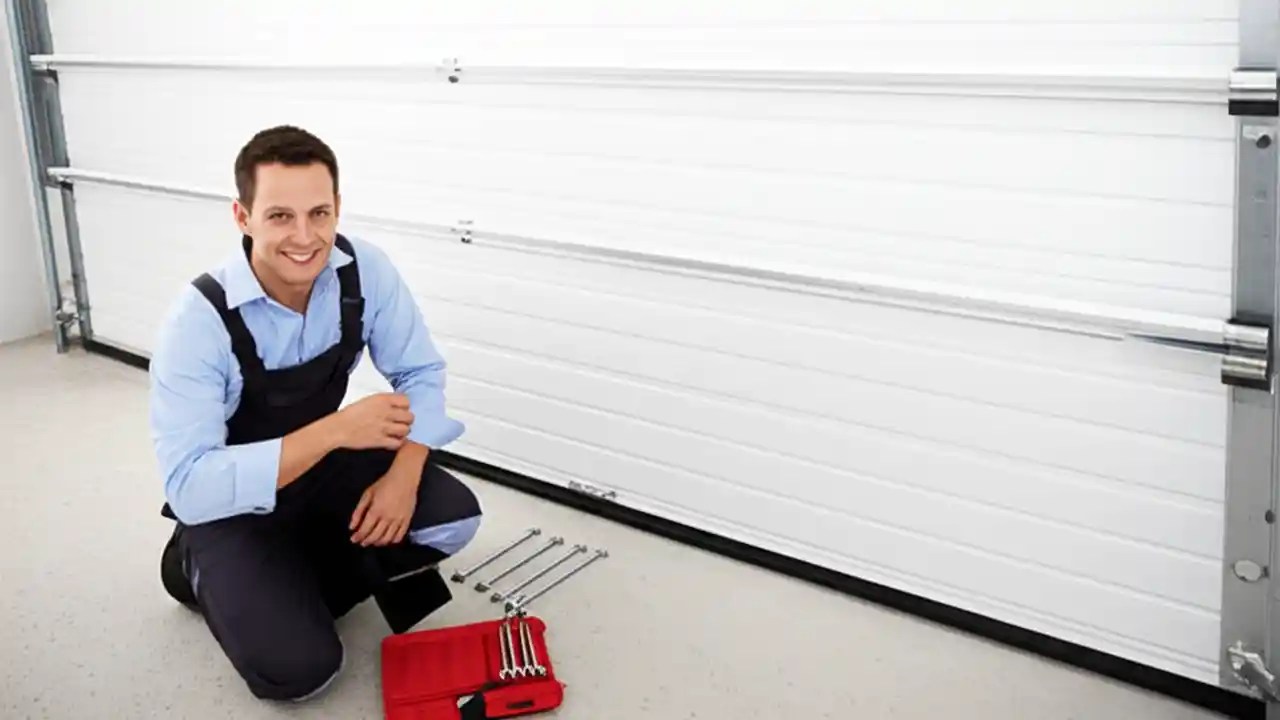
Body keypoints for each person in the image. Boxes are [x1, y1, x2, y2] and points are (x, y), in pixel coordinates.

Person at [148, 125, 483, 702]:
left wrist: (404, 475)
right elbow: (189, 485)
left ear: (337, 209)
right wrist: (336, 429)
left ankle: (287, 576)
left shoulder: (364, 272)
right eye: (279, 216)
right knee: (299, 674)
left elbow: (421, 374)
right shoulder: (198, 322)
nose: (305, 237)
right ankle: (197, 568)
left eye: (319, 214)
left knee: (451, 517)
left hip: (319, 474)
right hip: (230, 506)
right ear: (242, 217)